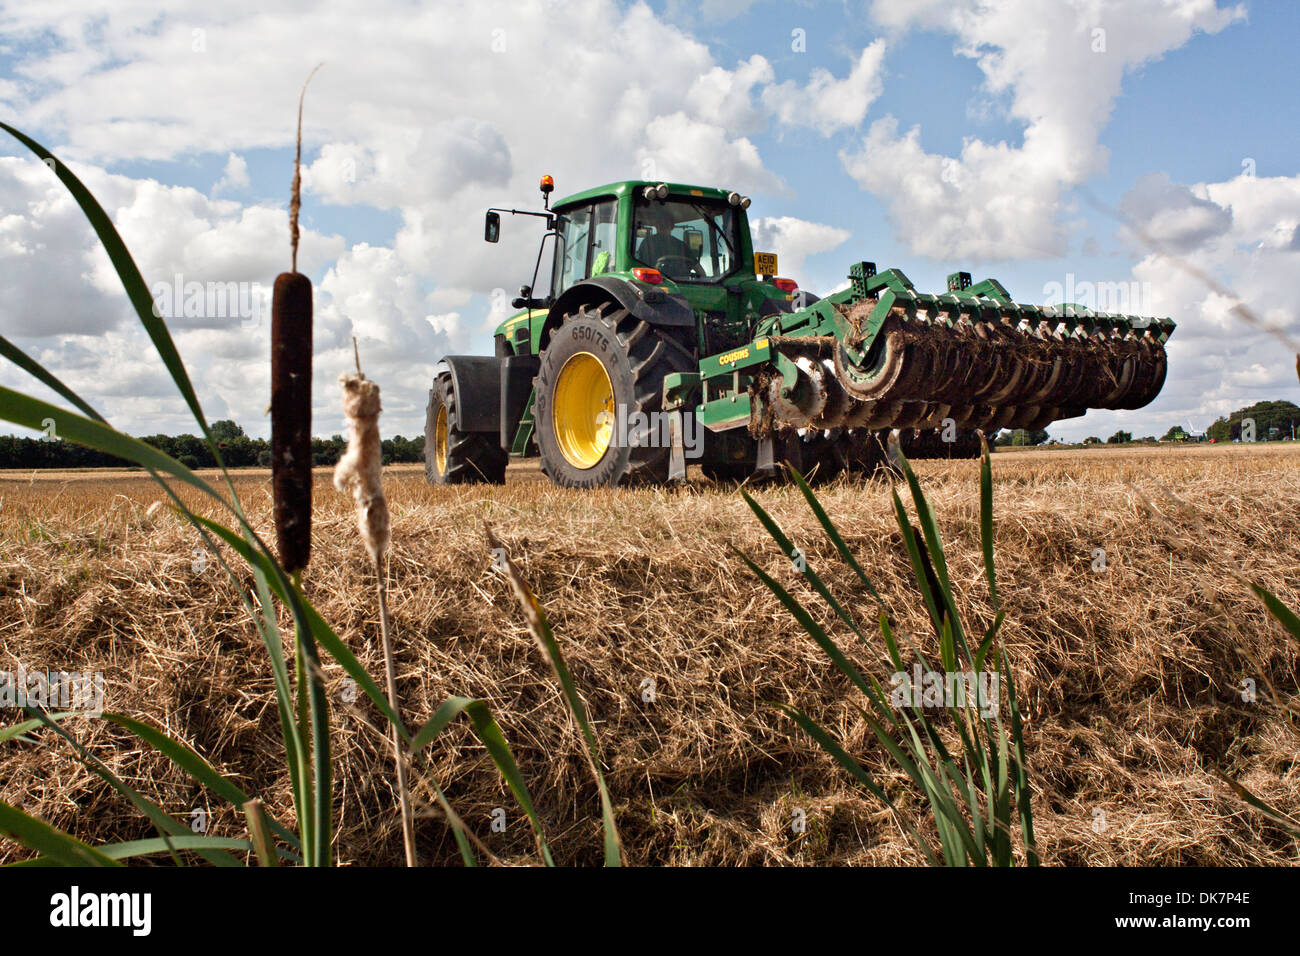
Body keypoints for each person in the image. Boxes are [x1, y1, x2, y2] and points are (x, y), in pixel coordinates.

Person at [634, 203, 695, 273]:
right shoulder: (681, 245)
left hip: (657, 282)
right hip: (663, 281)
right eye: (661, 223)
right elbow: (699, 270)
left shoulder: (648, 242)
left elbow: (637, 264)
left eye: (665, 223)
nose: (663, 225)